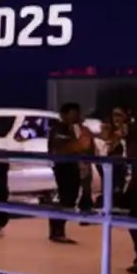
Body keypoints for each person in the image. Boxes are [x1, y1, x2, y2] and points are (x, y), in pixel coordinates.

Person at [48, 102, 90, 244]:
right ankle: (57, 230)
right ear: (64, 115)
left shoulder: (78, 129)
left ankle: (59, 228)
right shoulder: (58, 130)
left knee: (70, 198)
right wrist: (78, 146)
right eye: (73, 114)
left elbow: (86, 147)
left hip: (74, 167)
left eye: (77, 114)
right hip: (63, 167)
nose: (76, 116)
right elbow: (60, 149)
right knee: (65, 197)